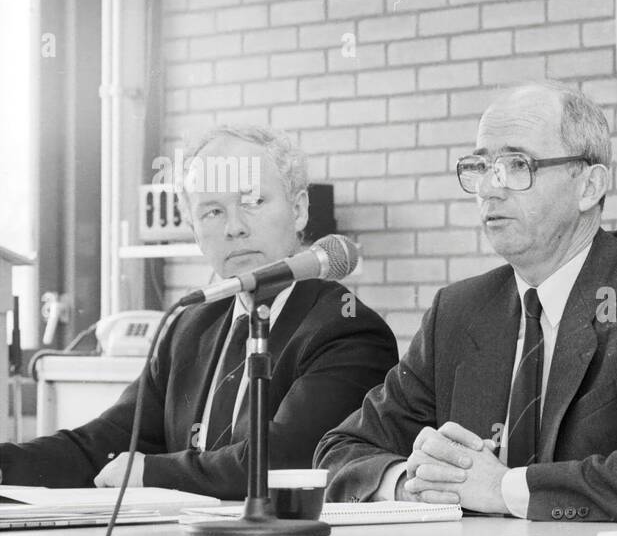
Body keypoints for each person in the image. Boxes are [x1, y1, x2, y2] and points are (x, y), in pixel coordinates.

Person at [317, 82, 617, 523]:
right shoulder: (459, 310)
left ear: (589, 186)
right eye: (480, 166)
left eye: (516, 164)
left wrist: (502, 488)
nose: (490, 188)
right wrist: (410, 482)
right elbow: (338, 451)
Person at [0, 124, 398, 500]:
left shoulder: (347, 329)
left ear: (298, 210)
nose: (234, 228)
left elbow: (285, 460)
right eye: (212, 212)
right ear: (193, 230)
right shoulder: (189, 325)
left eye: (254, 201)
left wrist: (150, 474)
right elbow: (106, 444)